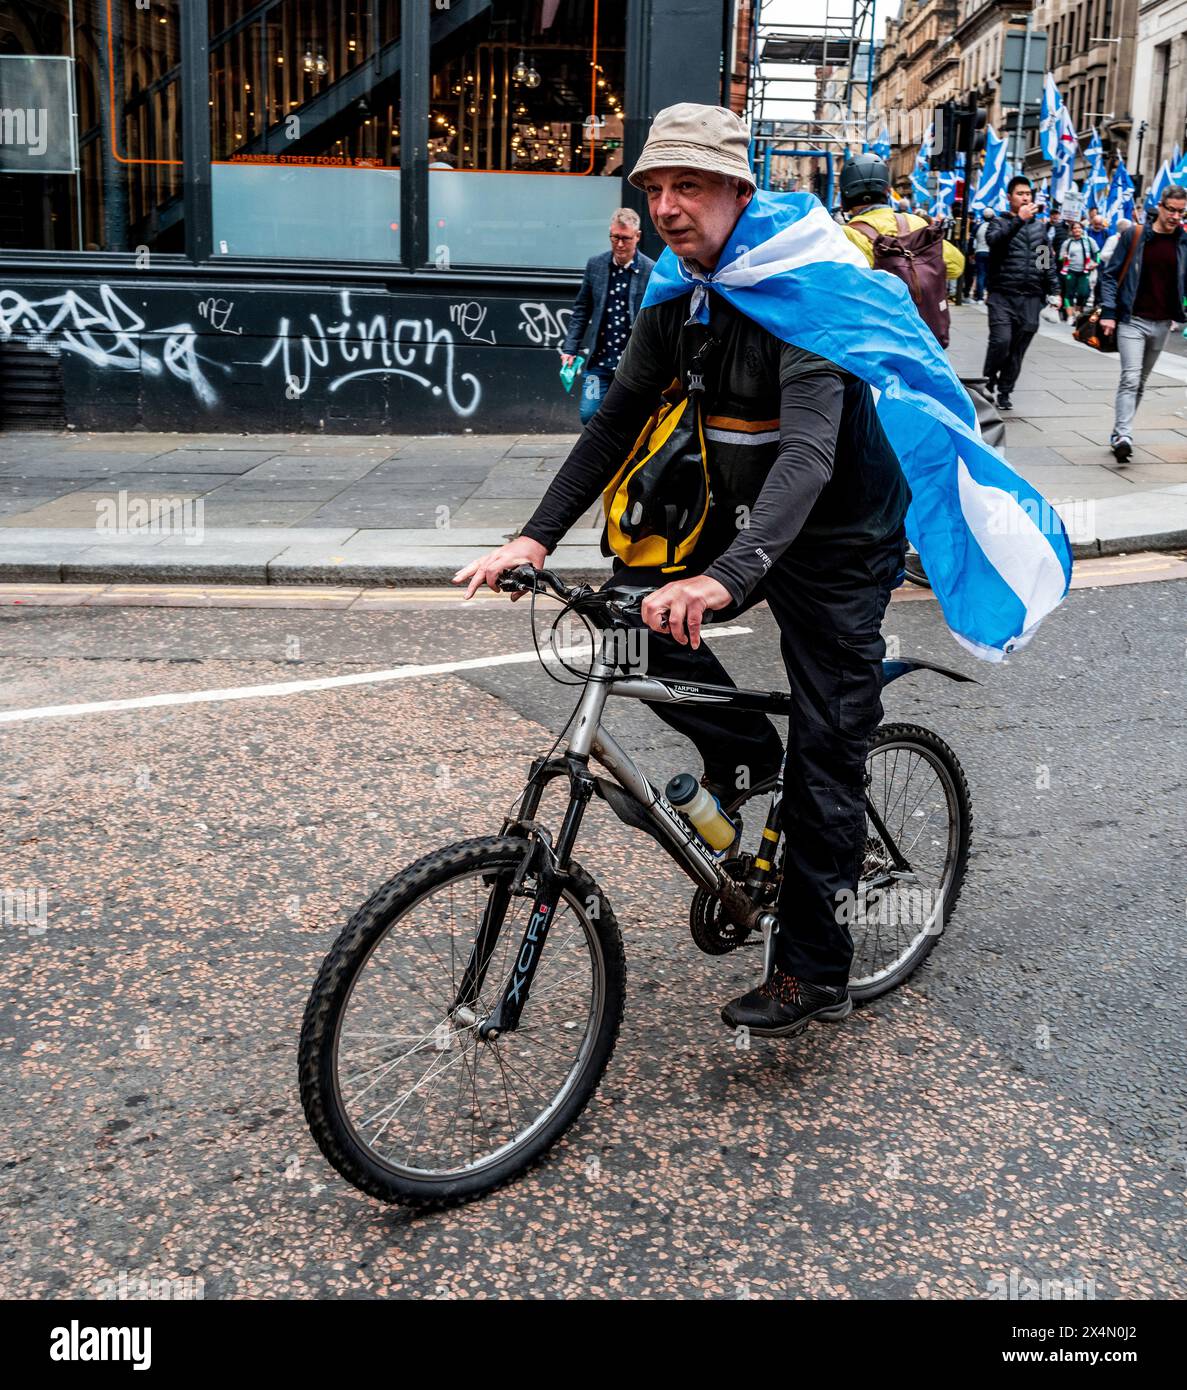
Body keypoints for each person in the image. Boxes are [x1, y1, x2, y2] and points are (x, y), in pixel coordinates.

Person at [453, 103, 911, 1039]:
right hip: (734, 513)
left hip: (838, 536)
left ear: (739, 191)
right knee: (623, 610)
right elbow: (615, 421)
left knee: (828, 749)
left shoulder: (806, 290)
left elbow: (807, 456)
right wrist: (533, 538)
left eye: (688, 186)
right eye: (654, 188)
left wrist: (724, 580)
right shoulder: (678, 294)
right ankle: (743, 750)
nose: (666, 207)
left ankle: (812, 971)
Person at [1099, 185, 1187, 462]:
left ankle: (1118, 432)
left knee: (1140, 382)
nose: (1175, 216)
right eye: (1171, 210)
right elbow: (1110, 274)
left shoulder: (1183, 242)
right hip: (1132, 320)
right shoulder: (1135, 235)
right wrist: (1109, 312)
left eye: (1181, 212)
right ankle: (1124, 436)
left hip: (1163, 323)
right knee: (1130, 377)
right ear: (1160, 206)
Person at [839, 152, 965, 339]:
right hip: (924, 336)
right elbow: (957, 265)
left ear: (845, 197)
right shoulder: (916, 223)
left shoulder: (846, 235)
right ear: (887, 191)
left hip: (877, 337)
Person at [560, 210, 655, 424]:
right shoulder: (596, 265)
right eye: (615, 237)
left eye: (625, 238)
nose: (619, 244)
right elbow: (582, 309)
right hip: (599, 363)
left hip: (632, 366)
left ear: (637, 236)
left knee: (630, 419)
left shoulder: (651, 270)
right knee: (589, 413)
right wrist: (570, 348)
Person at [982, 175, 1061, 409]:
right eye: (1020, 194)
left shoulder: (1040, 229)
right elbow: (995, 242)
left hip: (1031, 298)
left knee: (1017, 350)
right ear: (1010, 197)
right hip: (1002, 295)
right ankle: (988, 382)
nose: (1025, 197)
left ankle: (1005, 391)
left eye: (1028, 194)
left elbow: (1045, 262)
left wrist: (1055, 290)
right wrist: (1018, 220)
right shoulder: (998, 222)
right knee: (1001, 341)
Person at [1060, 221, 1099, 312]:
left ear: (1082, 229)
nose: (1077, 230)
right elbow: (1060, 258)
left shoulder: (1089, 240)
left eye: (1079, 228)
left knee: (1083, 293)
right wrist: (1063, 258)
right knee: (1069, 293)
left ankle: (1077, 312)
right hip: (1070, 271)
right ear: (1071, 230)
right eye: (1074, 228)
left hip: (1084, 271)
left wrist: (1096, 263)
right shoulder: (1067, 242)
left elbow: (1097, 252)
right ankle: (1070, 316)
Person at [972, 208, 995, 301]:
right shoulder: (995, 226)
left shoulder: (978, 226)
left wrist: (971, 252)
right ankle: (989, 295)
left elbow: (972, 239)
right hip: (991, 252)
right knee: (990, 274)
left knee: (980, 274)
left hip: (979, 251)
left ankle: (980, 297)